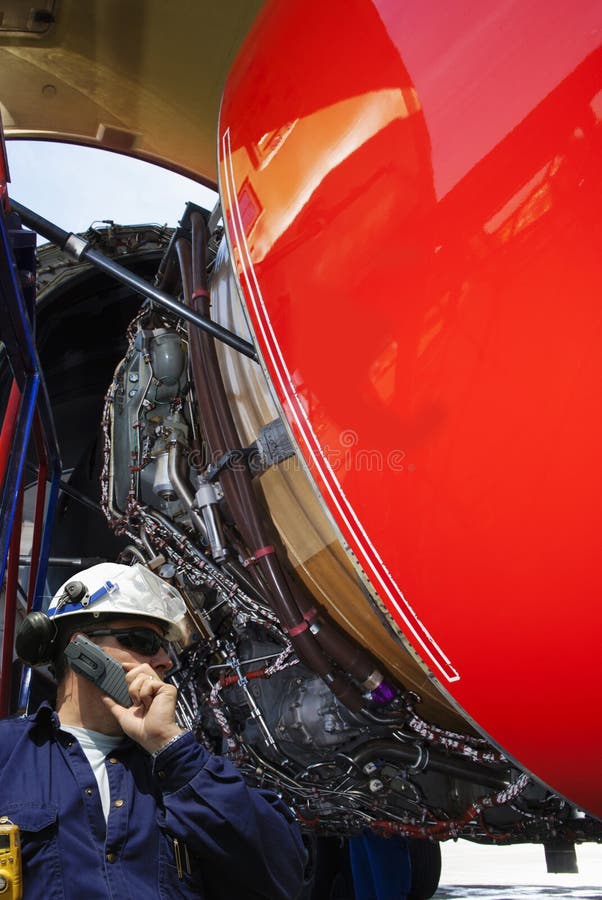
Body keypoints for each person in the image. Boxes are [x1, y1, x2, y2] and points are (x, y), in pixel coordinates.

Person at [2, 561, 306, 899]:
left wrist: (171, 748)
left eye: (165, 646)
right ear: (81, 649)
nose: (164, 660)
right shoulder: (7, 756)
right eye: (144, 640)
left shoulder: (188, 770)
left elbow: (284, 875)